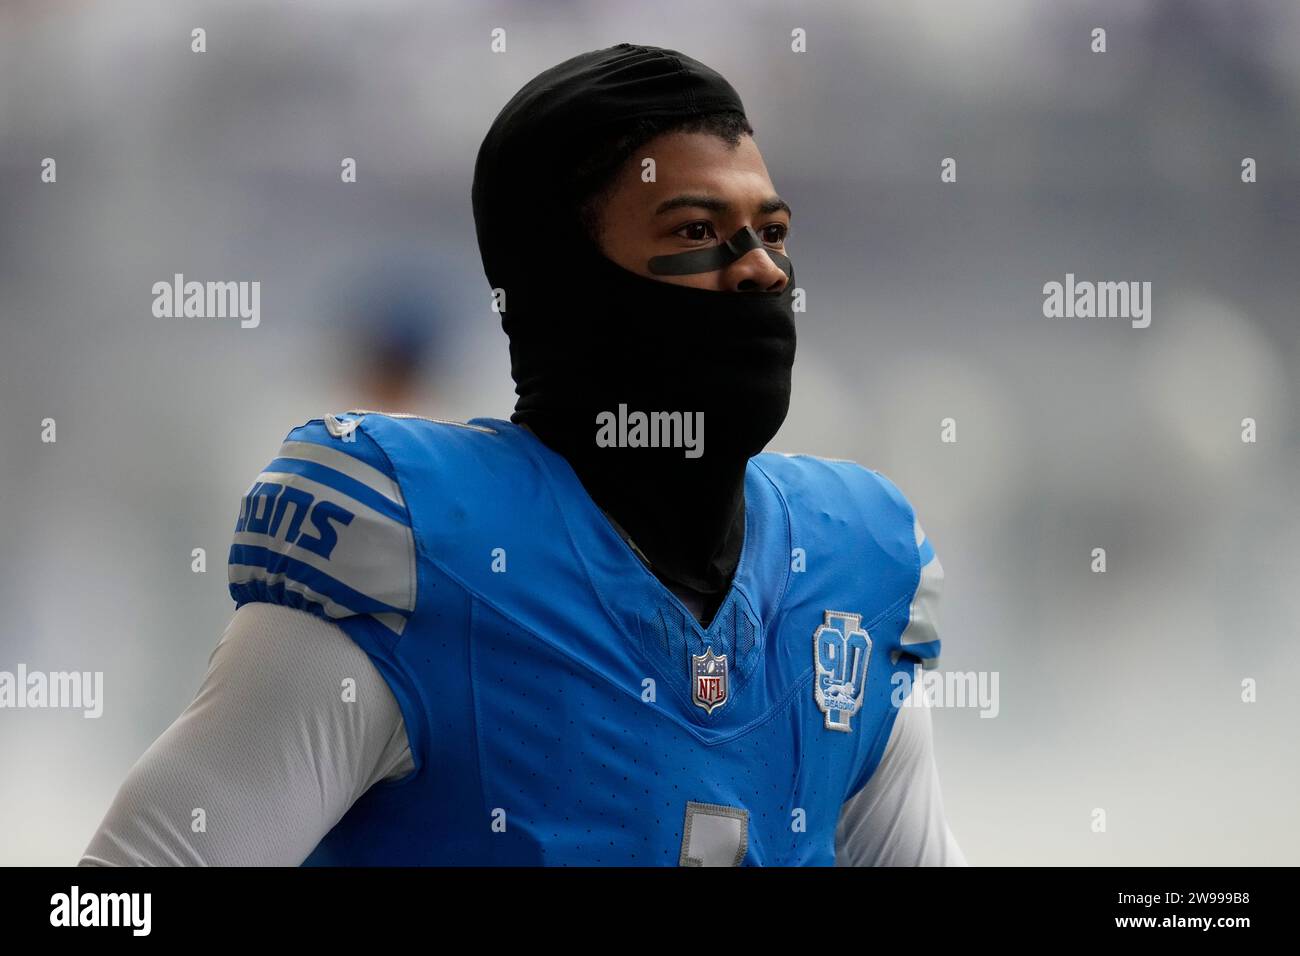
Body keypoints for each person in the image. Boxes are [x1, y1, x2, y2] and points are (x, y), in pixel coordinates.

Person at [80, 43, 965, 866]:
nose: (763, 270)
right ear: (567, 286)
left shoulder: (850, 573)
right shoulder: (418, 554)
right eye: (697, 231)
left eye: (771, 229)